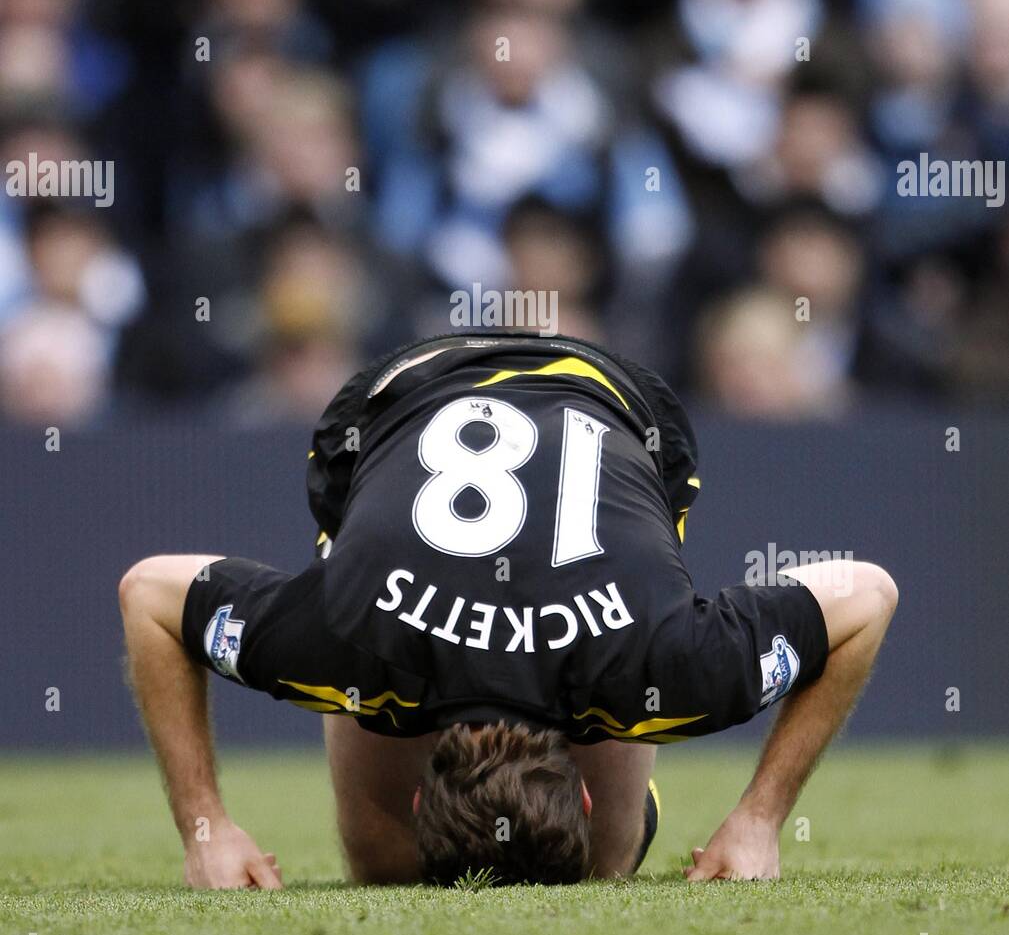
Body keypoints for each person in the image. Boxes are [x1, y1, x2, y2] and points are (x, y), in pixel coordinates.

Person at [118, 331, 897, 887]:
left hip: (485, 400)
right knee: (443, 860)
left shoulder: (353, 636)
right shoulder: (347, 640)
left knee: (394, 867)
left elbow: (150, 589)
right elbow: (867, 592)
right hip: (432, 404)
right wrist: (757, 819)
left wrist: (208, 828)